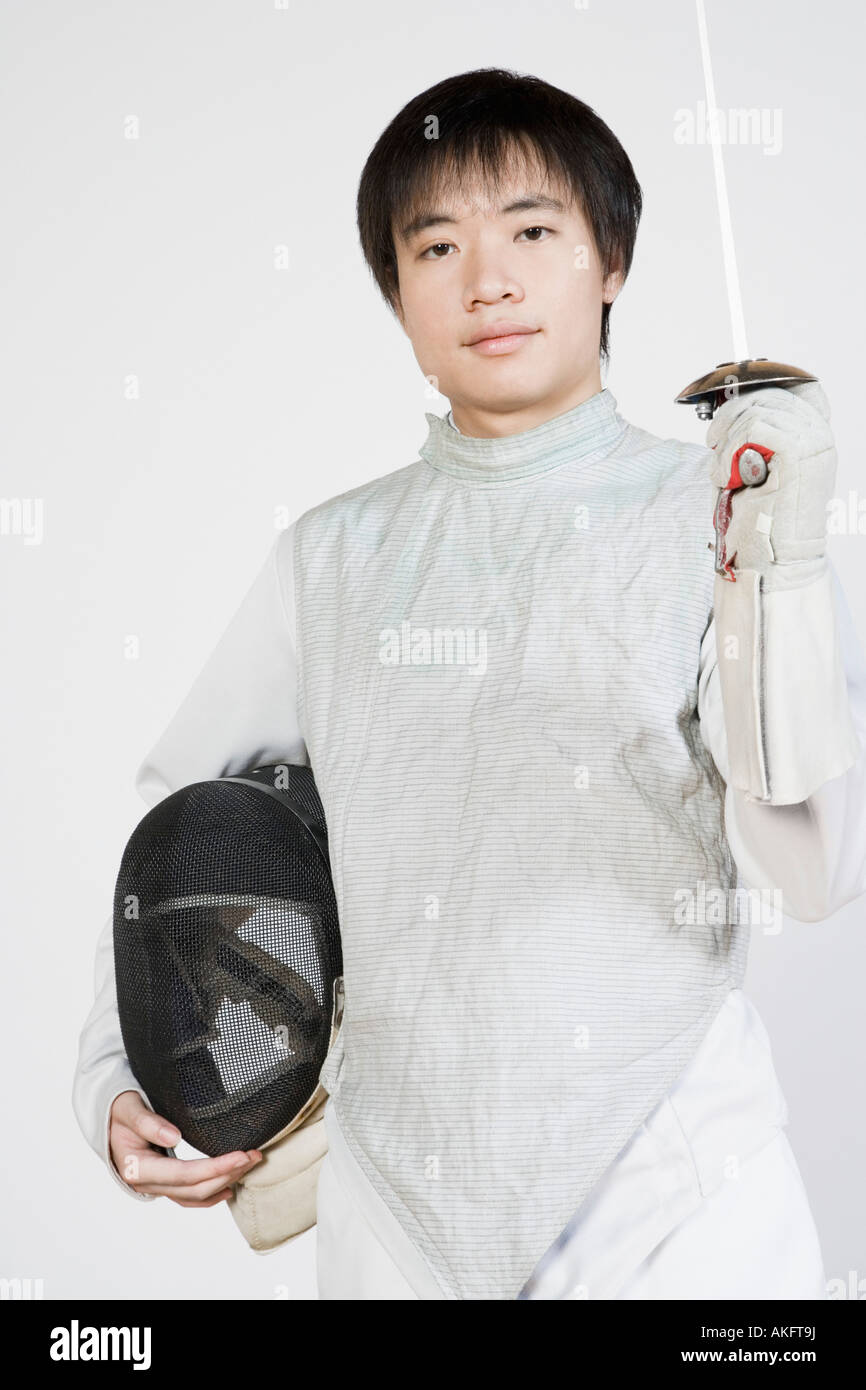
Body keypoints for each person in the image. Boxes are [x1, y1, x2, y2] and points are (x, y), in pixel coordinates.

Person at [73, 67, 866, 1300]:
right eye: (435, 244)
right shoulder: (330, 558)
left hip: (674, 1180)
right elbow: (187, 839)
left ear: (608, 260)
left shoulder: (709, 509)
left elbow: (812, 869)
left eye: (533, 233)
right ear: (396, 295)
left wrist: (776, 570)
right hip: (399, 1202)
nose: (485, 280)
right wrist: (120, 1074)